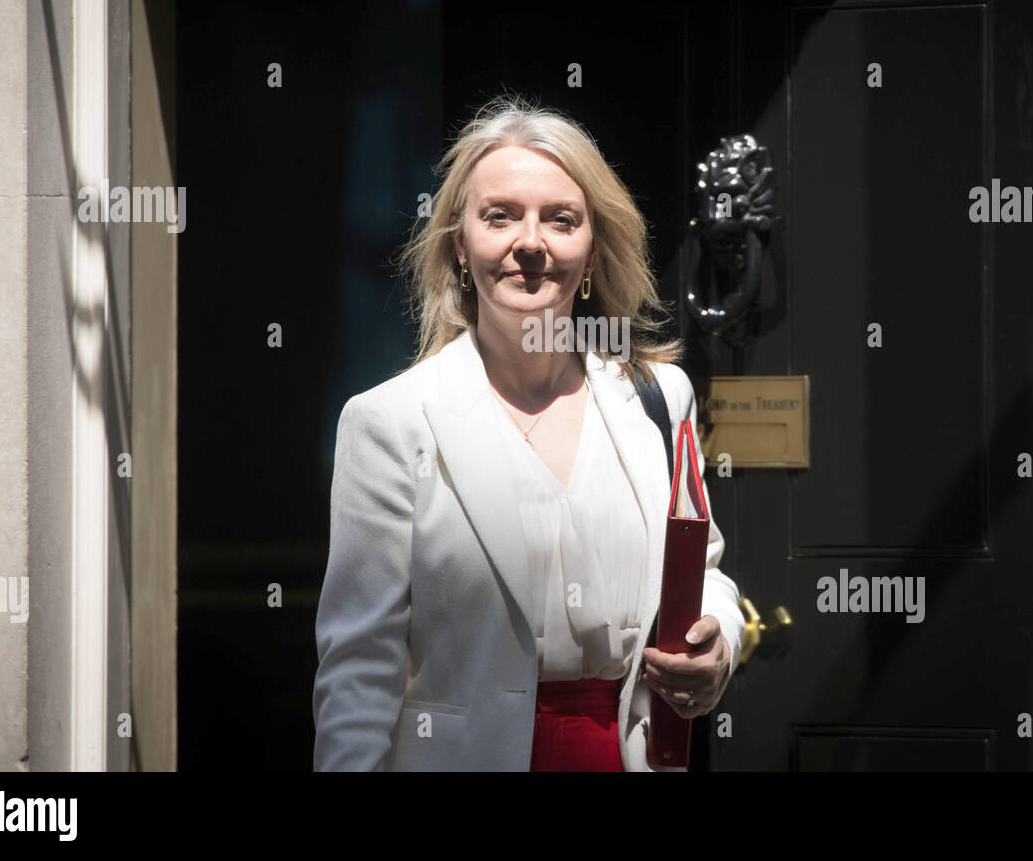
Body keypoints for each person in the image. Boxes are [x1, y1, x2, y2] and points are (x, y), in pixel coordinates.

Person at [312, 93, 745, 771]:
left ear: (593, 251)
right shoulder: (390, 423)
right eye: (500, 216)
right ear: (461, 246)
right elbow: (359, 674)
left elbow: (704, 570)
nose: (531, 243)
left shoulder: (659, 397)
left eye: (561, 219)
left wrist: (719, 641)